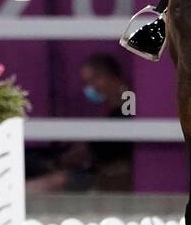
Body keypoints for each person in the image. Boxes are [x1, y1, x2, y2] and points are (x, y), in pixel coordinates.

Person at [26, 53, 133, 193]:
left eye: (92, 81)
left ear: (107, 77)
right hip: (96, 171)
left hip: (110, 177)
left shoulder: (129, 104)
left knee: (46, 184)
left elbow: (107, 148)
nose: (90, 88)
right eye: (86, 83)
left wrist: (66, 160)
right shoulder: (113, 107)